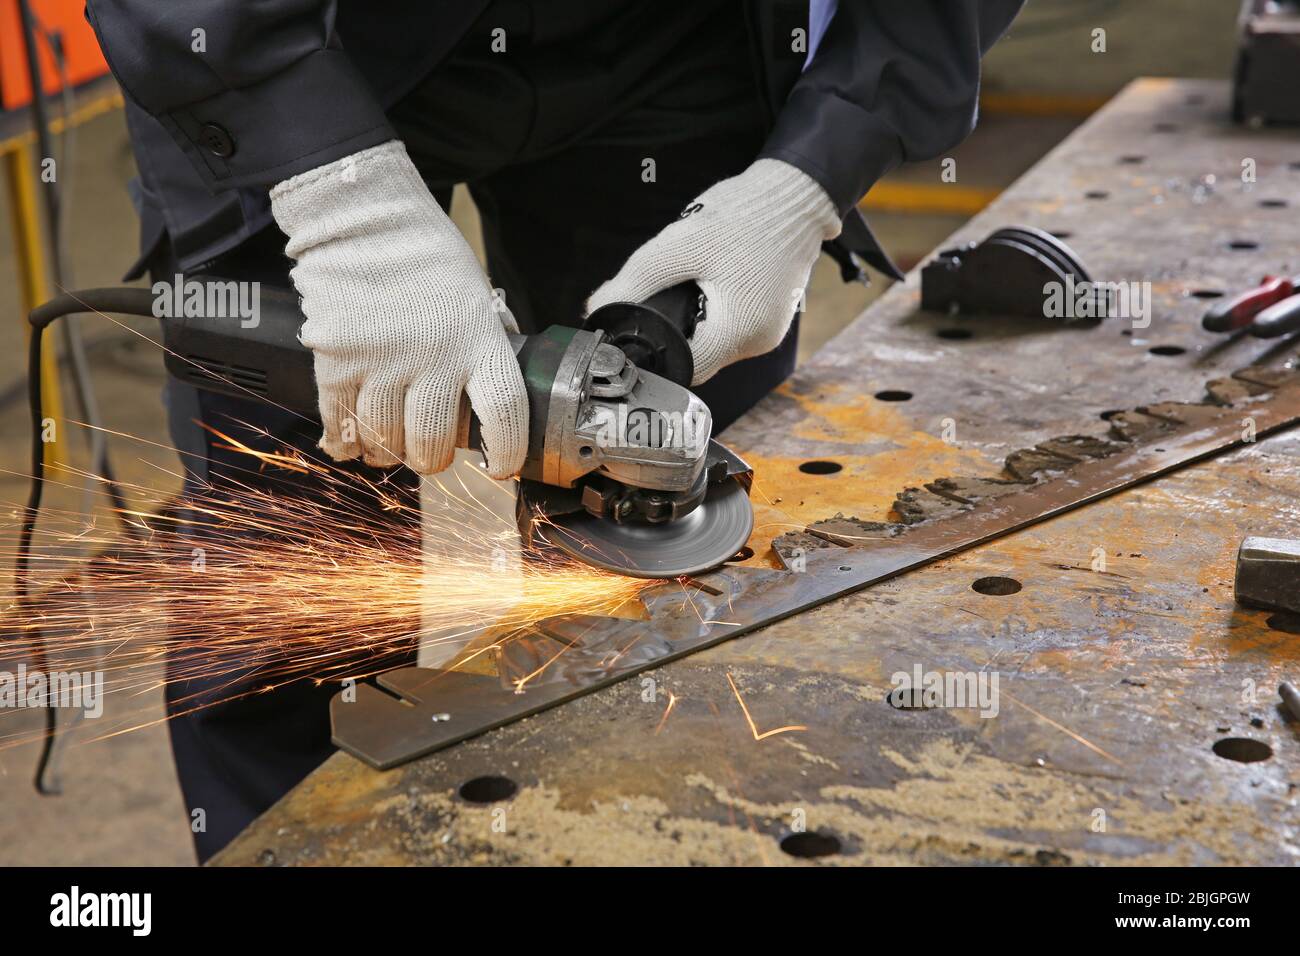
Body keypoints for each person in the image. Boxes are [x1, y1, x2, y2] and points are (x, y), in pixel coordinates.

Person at [86, 0, 1023, 860]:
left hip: (681, 40)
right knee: (287, 570)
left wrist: (812, 168)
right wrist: (340, 199)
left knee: (712, 616)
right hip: (302, 44)